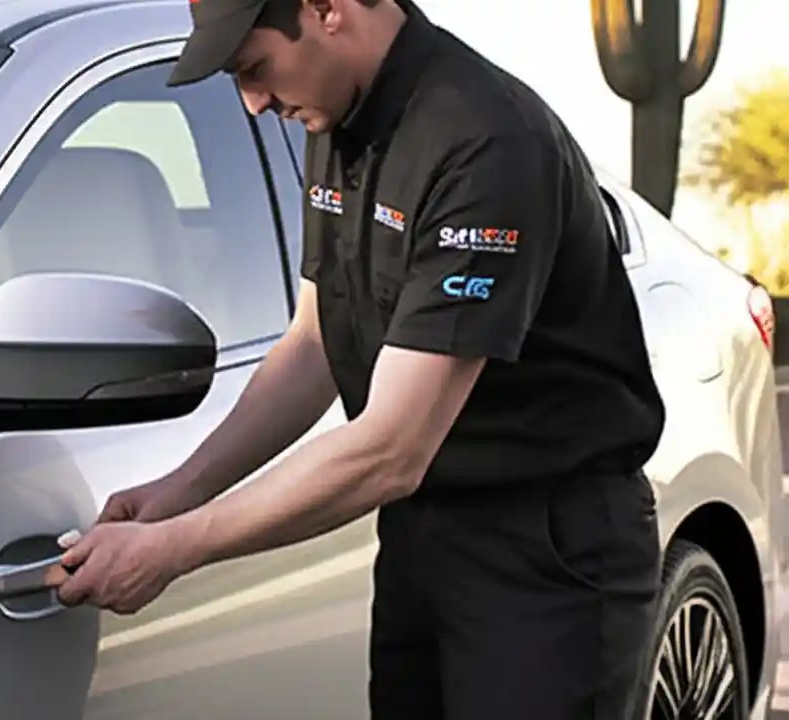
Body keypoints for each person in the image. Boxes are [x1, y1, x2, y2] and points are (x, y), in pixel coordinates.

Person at [49, 0, 668, 717]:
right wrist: (176, 493)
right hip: (419, 537)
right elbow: (315, 344)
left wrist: (178, 550)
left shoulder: (486, 142)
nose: (252, 103)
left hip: (544, 551)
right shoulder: (336, 113)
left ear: (326, 9)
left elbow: (391, 448)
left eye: (254, 67)